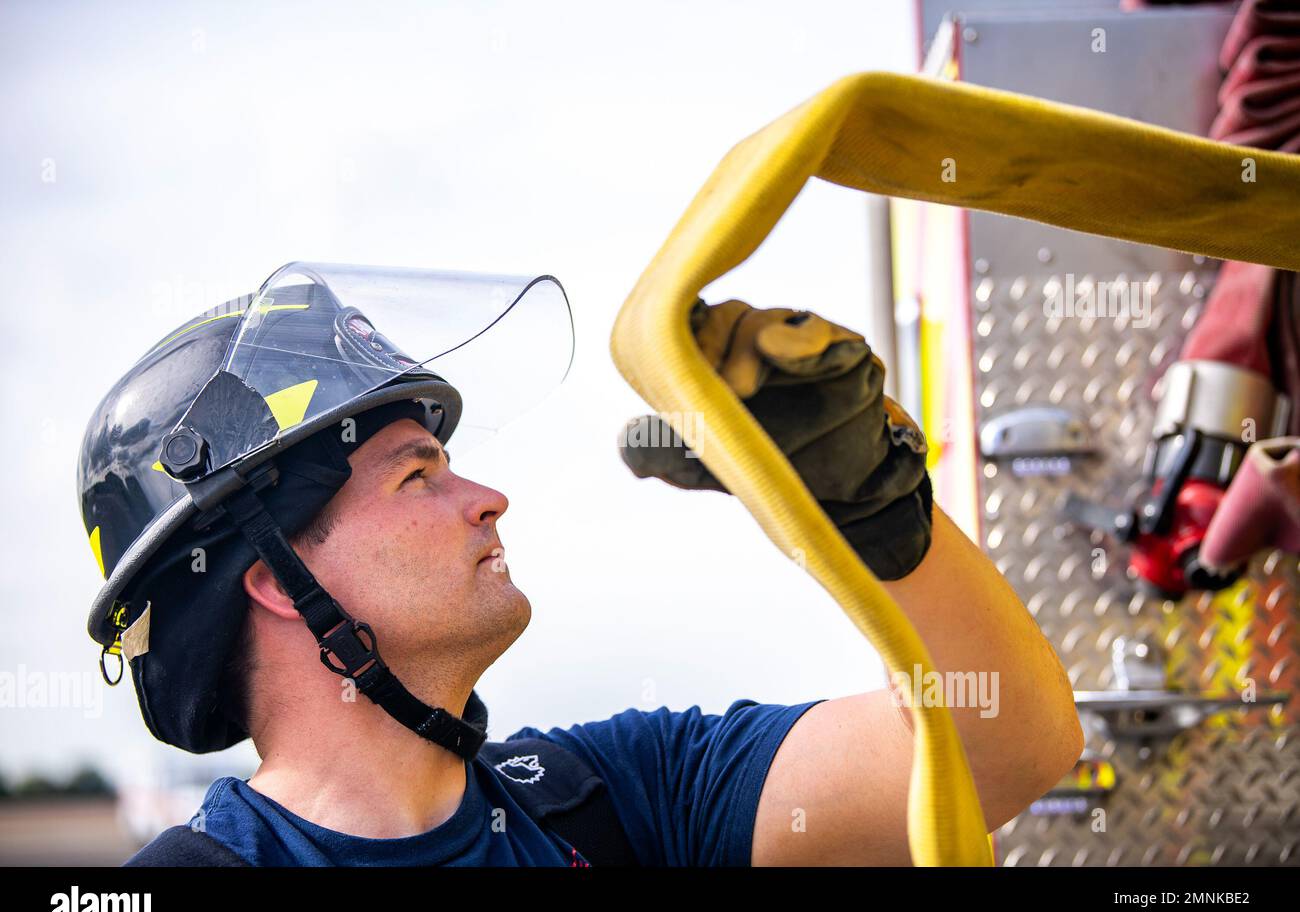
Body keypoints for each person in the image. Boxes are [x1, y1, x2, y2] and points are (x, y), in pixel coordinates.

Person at [77, 264, 1082, 866]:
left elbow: (1006, 748)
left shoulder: (615, 796)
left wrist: (873, 510)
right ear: (272, 578)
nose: (486, 497)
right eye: (414, 473)